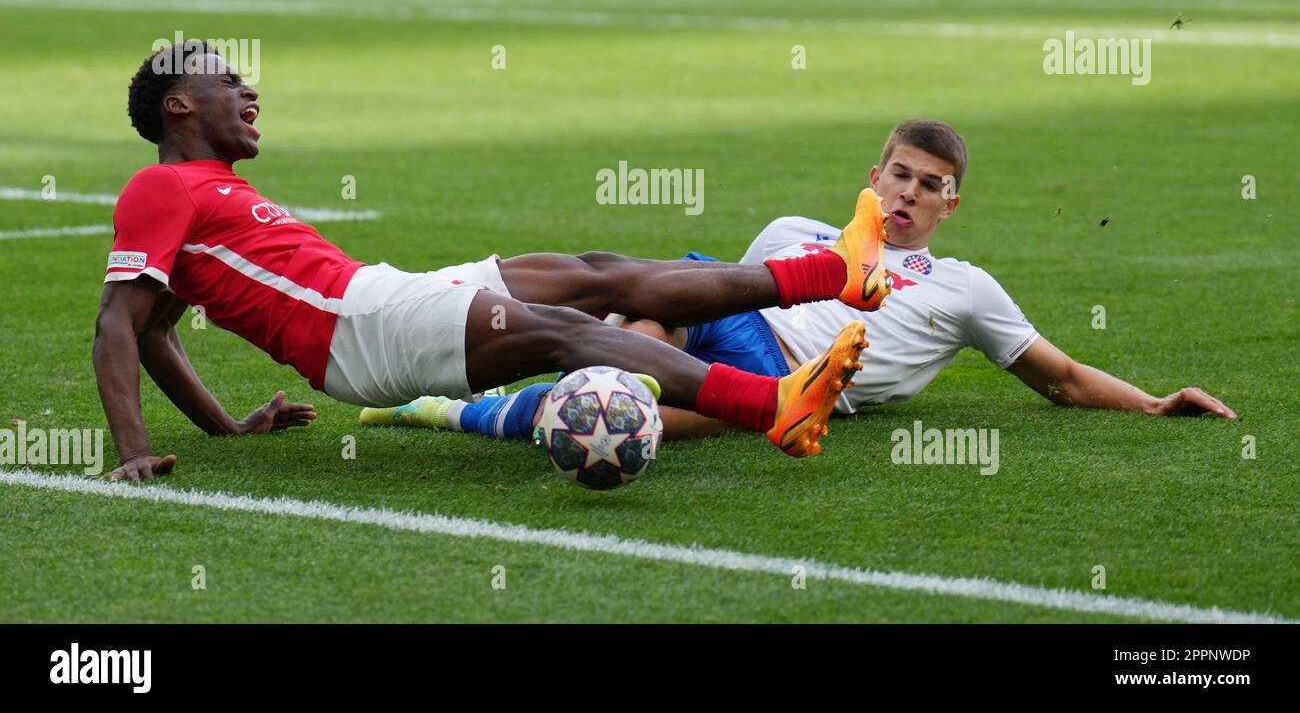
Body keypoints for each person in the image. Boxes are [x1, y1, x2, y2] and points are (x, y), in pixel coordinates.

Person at [92, 41, 890, 480]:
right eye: (229, 81)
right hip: (359, 331)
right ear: (180, 103)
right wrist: (133, 449)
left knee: (595, 271)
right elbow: (122, 325)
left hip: (380, 295)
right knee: (557, 332)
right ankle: (771, 405)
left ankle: (834, 272)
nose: (250, 92)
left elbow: (161, 332)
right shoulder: (161, 185)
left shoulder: (211, 186)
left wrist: (230, 428)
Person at [366, 120, 1234, 443]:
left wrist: (1154, 404)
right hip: (730, 316)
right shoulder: (796, 233)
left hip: (791, 377)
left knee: (647, 414)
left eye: (930, 184)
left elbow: (1063, 378)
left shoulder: (965, 287)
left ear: (950, 204)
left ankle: (442, 409)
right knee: (631, 323)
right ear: (876, 175)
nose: (909, 192)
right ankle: (475, 364)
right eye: (899, 174)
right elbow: (716, 294)